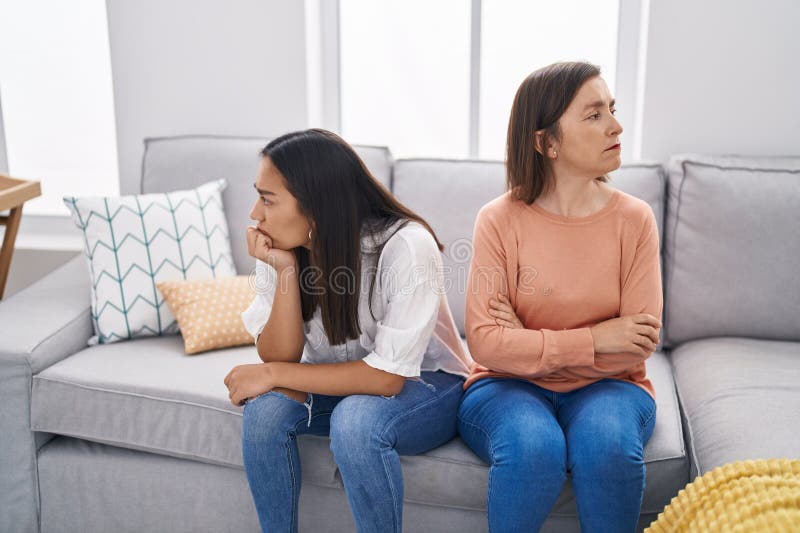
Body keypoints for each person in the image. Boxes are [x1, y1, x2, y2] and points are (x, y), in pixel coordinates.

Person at [223, 128, 471, 533]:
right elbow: (279, 355)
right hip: (342, 382)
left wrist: (271, 375)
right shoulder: (282, 246)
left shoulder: (406, 246)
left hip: (427, 383)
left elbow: (388, 379)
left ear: (316, 204)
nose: (255, 213)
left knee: (354, 422)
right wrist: (284, 269)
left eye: (268, 199)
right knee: (265, 412)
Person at [457, 61, 663, 532]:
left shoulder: (635, 220)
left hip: (613, 388)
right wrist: (596, 339)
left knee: (608, 448)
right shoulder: (498, 220)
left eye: (611, 109)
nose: (616, 125)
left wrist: (527, 342)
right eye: (594, 115)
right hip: (504, 387)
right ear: (545, 142)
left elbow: (639, 341)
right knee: (534, 451)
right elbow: (487, 344)